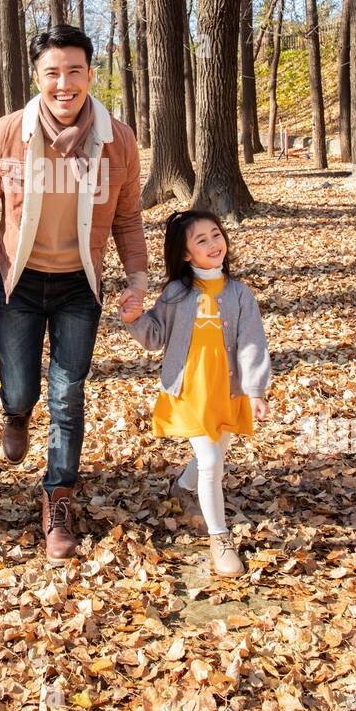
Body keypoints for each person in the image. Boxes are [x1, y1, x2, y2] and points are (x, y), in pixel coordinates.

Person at [0, 25, 148, 563]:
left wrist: (136, 279)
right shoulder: (9, 133)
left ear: (90, 72)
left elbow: (128, 217)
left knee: (68, 394)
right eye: (52, 73)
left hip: (80, 286)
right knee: (19, 388)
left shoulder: (118, 139)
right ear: (37, 76)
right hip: (19, 281)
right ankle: (15, 413)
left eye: (74, 71)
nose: (64, 84)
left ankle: (58, 496)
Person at [120, 210, 271, 577]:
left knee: (220, 449)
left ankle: (182, 486)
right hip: (190, 390)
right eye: (200, 240)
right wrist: (133, 319)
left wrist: (256, 389)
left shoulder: (239, 294)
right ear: (186, 254)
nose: (212, 244)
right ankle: (220, 539)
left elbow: (252, 343)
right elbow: (155, 338)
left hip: (228, 389)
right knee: (211, 461)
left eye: (215, 235)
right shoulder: (176, 293)